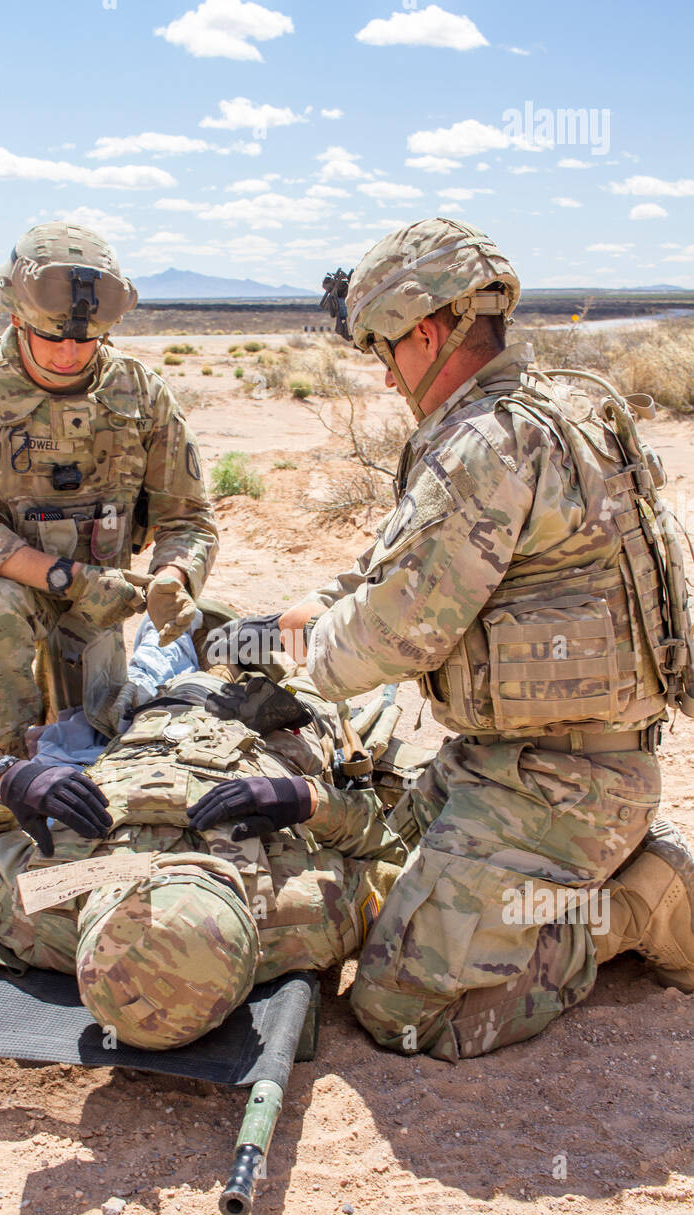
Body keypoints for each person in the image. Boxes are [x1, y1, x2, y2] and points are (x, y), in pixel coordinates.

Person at [272, 216, 694, 1062]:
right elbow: (408, 564)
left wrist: (306, 657)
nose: (389, 379)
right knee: (376, 862)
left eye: (386, 352)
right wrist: (318, 606)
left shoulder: (483, 444)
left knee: (402, 1005)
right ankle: (564, 877)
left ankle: (641, 900)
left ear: (426, 333)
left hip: (560, 786)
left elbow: (398, 632)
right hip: (516, 761)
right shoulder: (554, 406)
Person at [0, 665, 411, 1050]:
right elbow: (390, 856)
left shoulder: (40, 906)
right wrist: (305, 799)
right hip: (281, 737)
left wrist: (8, 783)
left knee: (187, 658)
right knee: (317, 671)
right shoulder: (307, 912)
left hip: (160, 715)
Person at [0, 221, 218, 757]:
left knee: (94, 730)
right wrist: (66, 578)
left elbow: (188, 517)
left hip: (101, 599)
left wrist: (172, 577)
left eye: (87, 339)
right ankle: (8, 763)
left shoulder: (139, 390)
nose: (69, 354)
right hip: (13, 586)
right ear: (15, 317)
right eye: (52, 337)